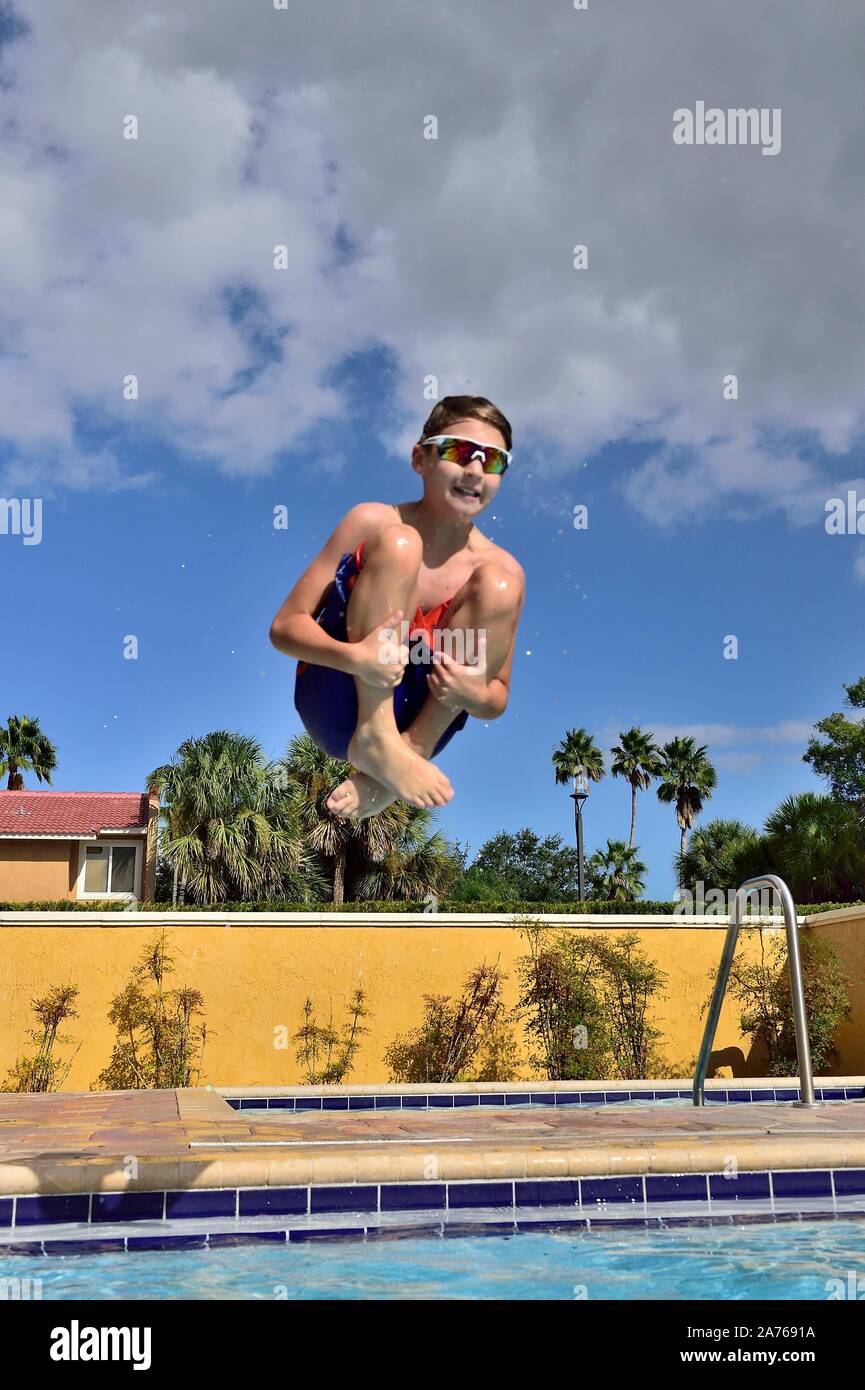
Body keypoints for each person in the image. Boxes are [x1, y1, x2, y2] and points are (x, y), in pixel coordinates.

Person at [270, 395, 525, 818]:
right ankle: (376, 736)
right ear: (419, 459)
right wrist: (355, 656)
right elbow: (284, 627)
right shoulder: (372, 521)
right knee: (401, 542)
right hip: (338, 698)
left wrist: (472, 693)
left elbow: (496, 697)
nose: (475, 470)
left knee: (503, 582)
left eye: (493, 460)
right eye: (460, 451)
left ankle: (406, 752)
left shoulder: (500, 569)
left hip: (423, 721)